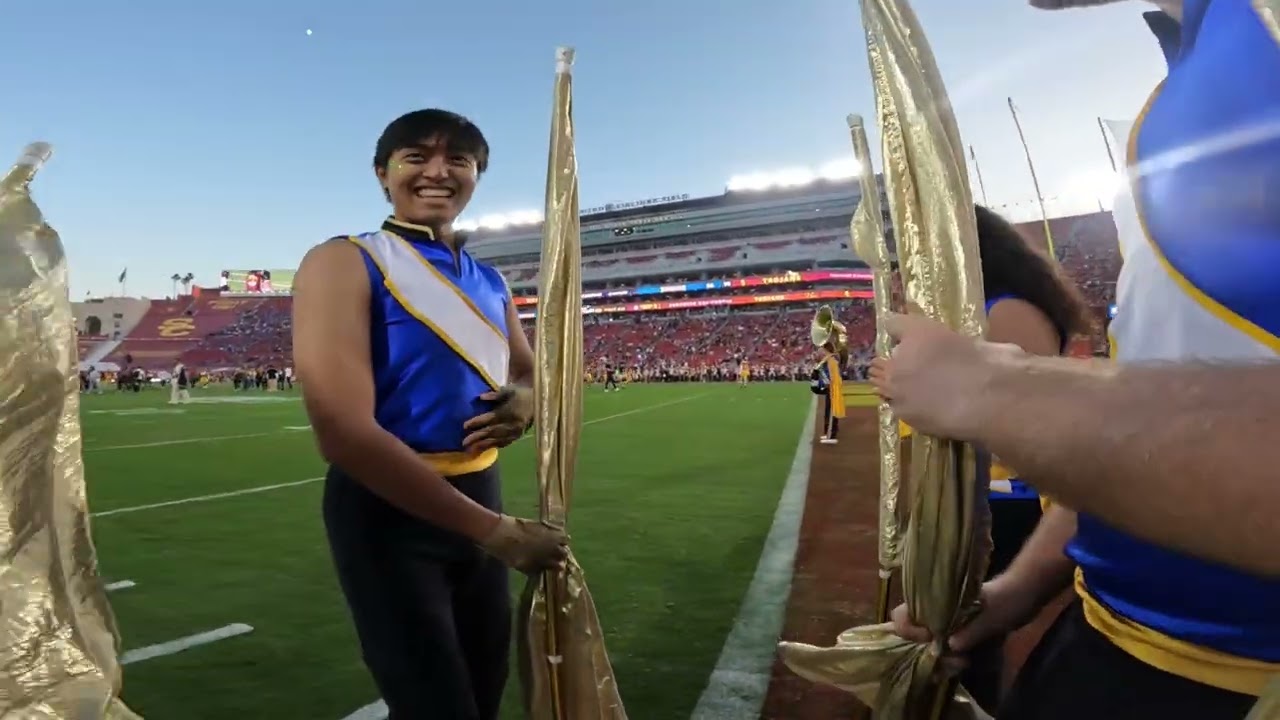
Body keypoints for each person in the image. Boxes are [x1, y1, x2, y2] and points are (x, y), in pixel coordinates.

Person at [878, 2, 1280, 716]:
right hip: (1103, 641)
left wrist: (991, 387)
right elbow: (1141, 429)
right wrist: (1015, 593)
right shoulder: (1191, 74)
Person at [292, 108, 568, 720]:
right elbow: (343, 434)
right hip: (387, 512)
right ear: (382, 174)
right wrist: (493, 533)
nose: (437, 172)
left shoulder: (489, 279)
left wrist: (525, 398)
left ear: (477, 176)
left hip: (481, 488)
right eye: (416, 157)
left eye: (459, 160)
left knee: (484, 692)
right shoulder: (344, 260)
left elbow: (526, 369)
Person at [956, 205, 1093, 715]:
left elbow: (1032, 422)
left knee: (963, 634)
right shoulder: (990, 306)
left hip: (1011, 498)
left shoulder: (1007, 310)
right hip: (985, 491)